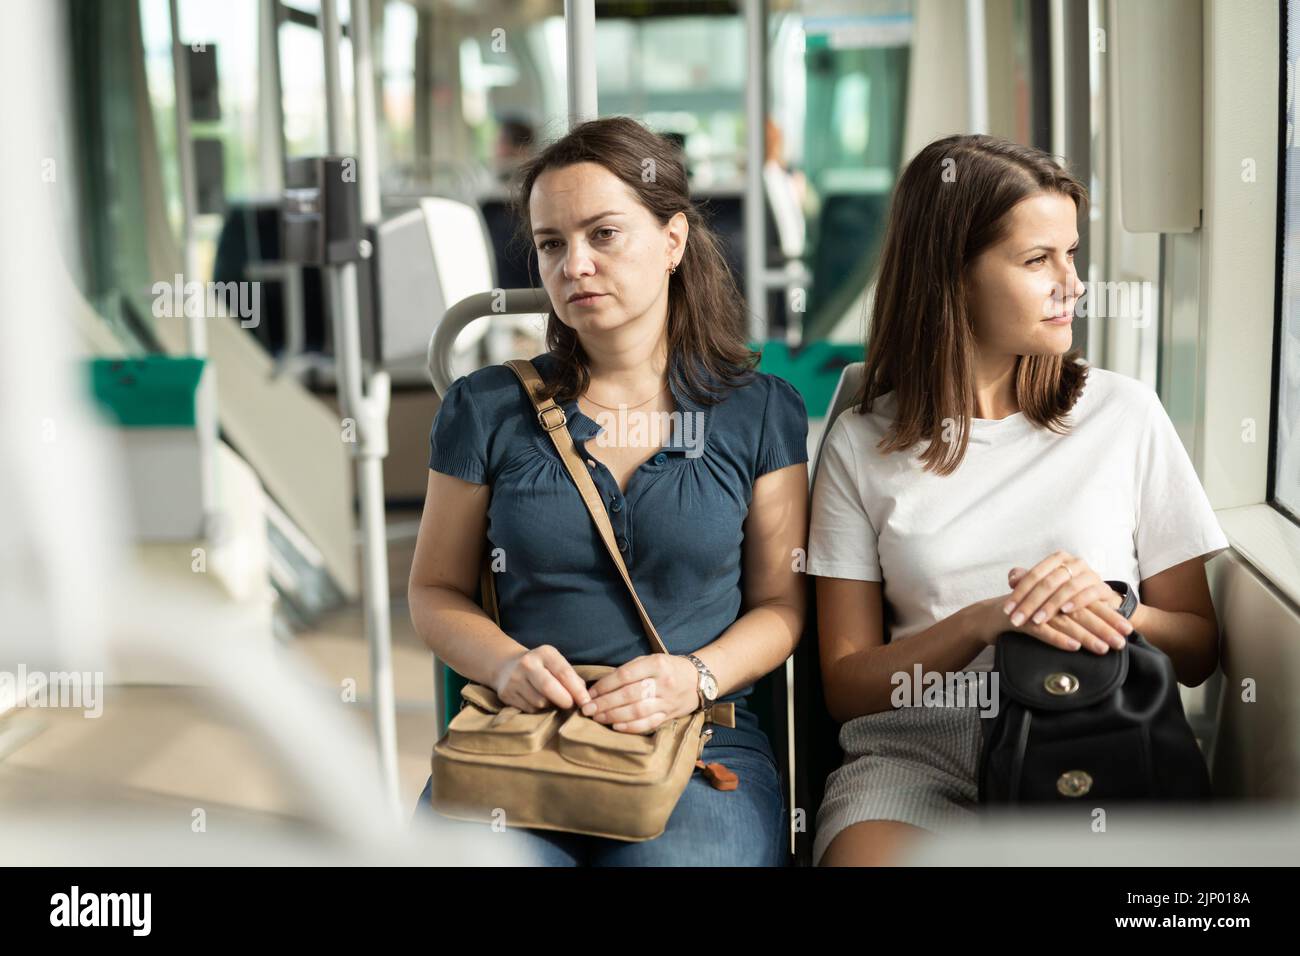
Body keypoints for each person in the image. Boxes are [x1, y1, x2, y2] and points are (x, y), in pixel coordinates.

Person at [806, 134, 1229, 866]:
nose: (1072, 284)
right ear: (952, 276)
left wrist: (1113, 607)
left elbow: (1196, 647)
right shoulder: (858, 444)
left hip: (1091, 728)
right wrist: (986, 621)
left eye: (1072, 254)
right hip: (919, 758)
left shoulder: (1123, 413)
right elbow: (847, 688)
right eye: (1039, 260)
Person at [408, 116, 809, 866]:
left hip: (695, 737)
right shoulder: (485, 409)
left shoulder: (758, 411)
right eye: (552, 244)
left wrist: (693, 676)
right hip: (525, 736)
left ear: (674, 241)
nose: (574, 265)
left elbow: (784, 607)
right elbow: (434, 590)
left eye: (604, 235)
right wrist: (503, 664)